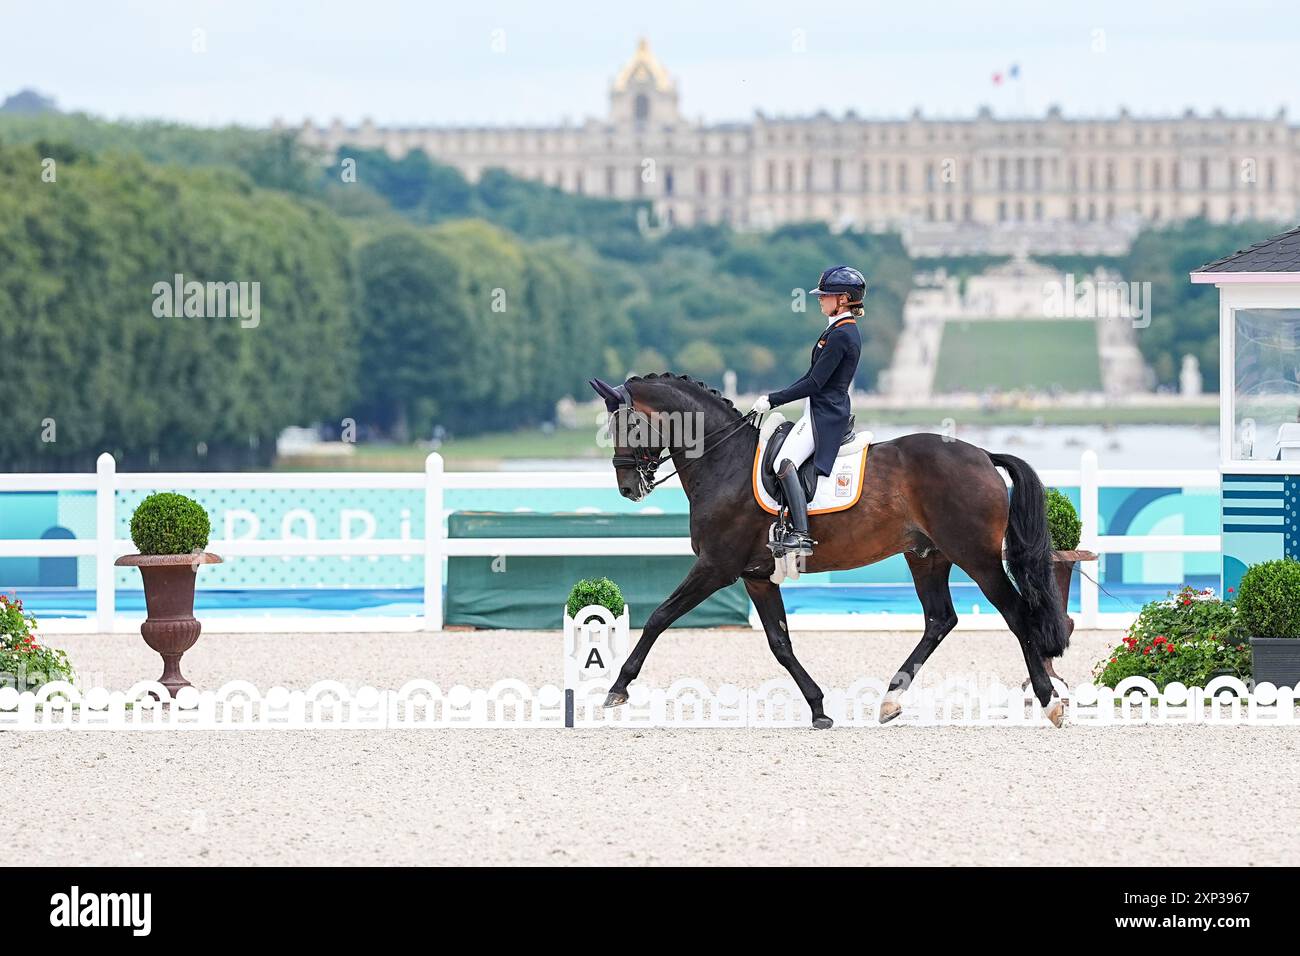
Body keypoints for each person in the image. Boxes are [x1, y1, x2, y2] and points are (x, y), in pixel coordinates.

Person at [749, 265, 865, 557]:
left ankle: (801, 534)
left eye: (826, 296)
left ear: (843, 299)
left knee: (784, 462)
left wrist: (774, 400)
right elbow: (810, 375)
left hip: (825, 414)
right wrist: (772, 396)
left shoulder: (842, 334)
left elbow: (815, 383)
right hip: (818, 409)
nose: (820, 299)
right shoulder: (837, 329)